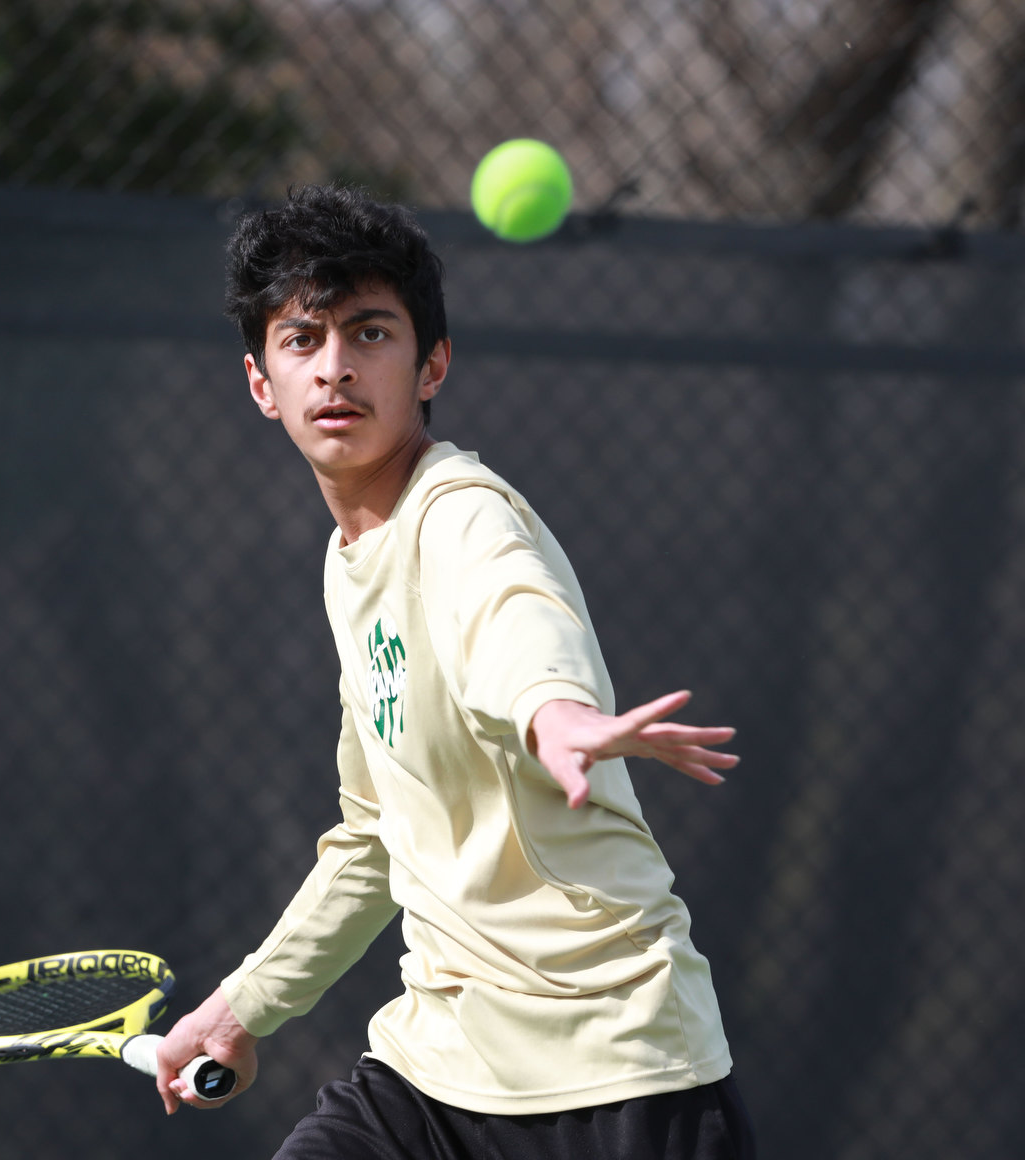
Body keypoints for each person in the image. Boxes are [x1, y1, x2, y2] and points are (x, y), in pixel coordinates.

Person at [155, 184, 756, 1159]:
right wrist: (239, 1007)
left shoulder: (461, 512)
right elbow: (370, 837)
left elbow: (513, 613)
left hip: (615, 1069)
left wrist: (549, 711)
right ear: (262, 383)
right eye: (302, 340)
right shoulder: (350, 561)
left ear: (431, 362)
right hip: (433, 1071)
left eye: (369, 333)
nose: (336, 367)